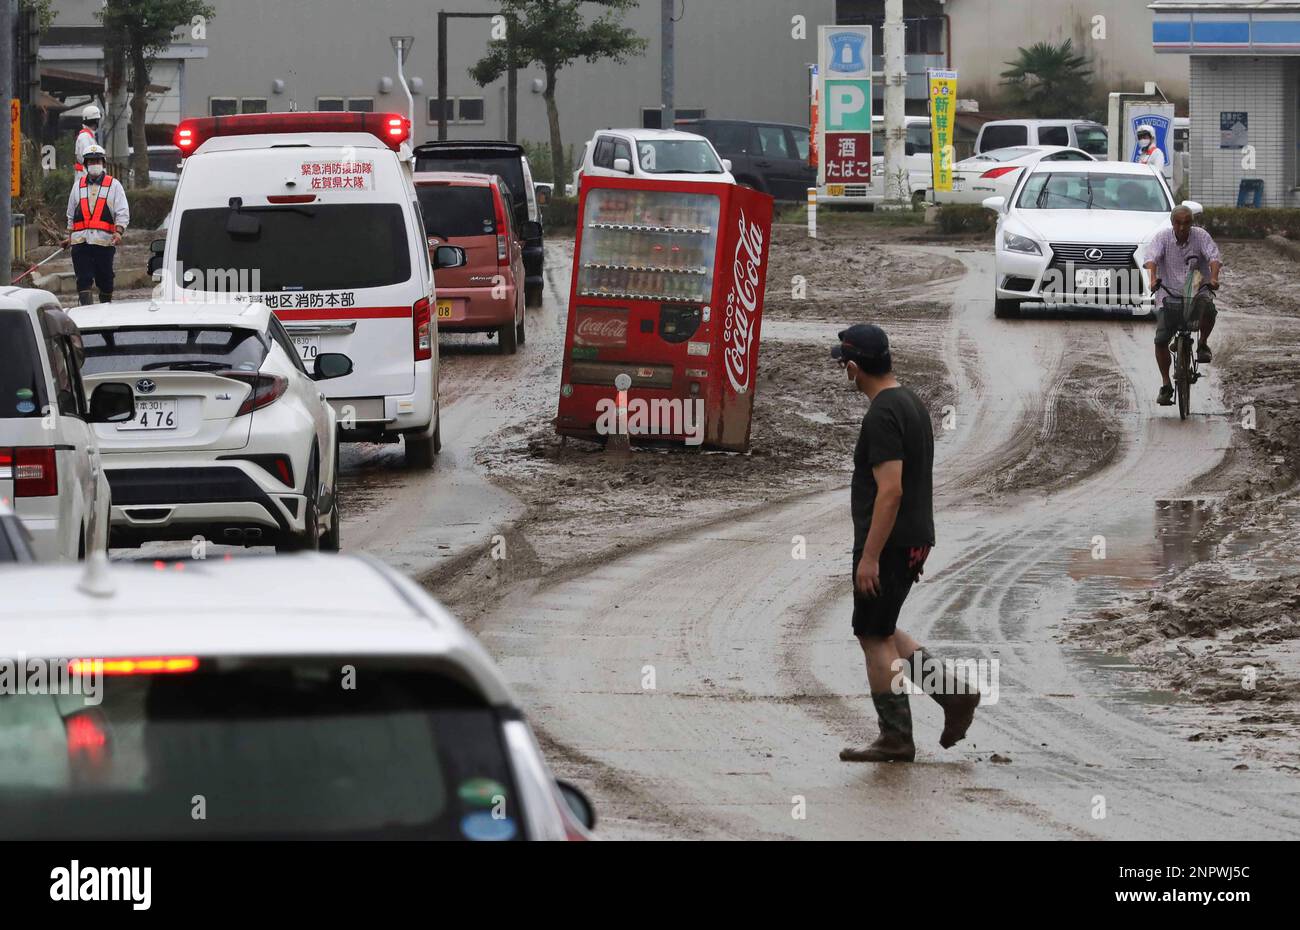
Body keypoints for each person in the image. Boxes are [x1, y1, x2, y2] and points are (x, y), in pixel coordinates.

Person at [832, 324, 979, 763]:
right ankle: (953, 695)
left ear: (854, 368)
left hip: (891, 543)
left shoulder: (881, 413)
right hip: (915, 539)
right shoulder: (910, 401)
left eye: (845, 366)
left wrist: (870, 556)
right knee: (885, 624)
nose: (847, 373)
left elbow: (890, 491)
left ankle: (895, 737)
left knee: (872, 635)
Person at [1143, 205, 1222, 406]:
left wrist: (1213, 278)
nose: (1182, 227)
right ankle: (1166, 384)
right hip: (1169, 293)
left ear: (1191, 223)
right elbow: (1151, 258)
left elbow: (1214, 257)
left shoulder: (1201, 236)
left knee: (1209, 309)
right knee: (1160, 340)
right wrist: (1153, 279)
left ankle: (1202, 343)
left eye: (1186, 223)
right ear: (1172, 223)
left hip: (1195, 288)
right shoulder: (1162, 238)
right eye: (1178, 223)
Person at [62, 144, 129, 306]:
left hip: (104, 242)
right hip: (80, 242)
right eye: (90, 161)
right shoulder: (77, 186)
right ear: (85, 165)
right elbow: (71, 214)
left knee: (105, 279)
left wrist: (118, 232)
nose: (94, 164)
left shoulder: (114, 185)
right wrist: (68, 237)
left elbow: (122, 212)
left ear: (103, 163)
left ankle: (105, 314)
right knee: (83, 279)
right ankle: (87, 314)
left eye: (97, 160)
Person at [74, 104, 101, 179]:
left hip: (88, 175)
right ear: (95, 121)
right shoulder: (84, 137)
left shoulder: (88, 136)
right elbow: (88, 159)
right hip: (86, 177)